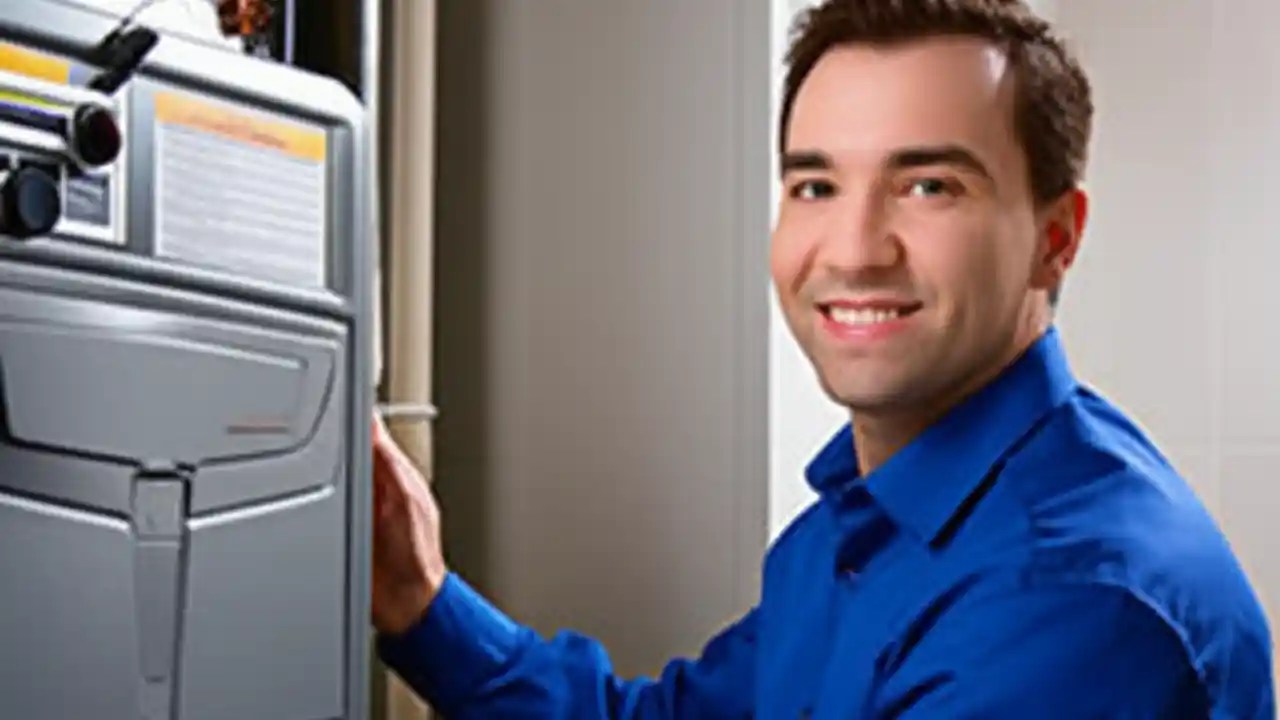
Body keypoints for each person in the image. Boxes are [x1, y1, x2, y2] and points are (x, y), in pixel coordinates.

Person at [369, 0, 1276, 717]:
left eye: (929, 186)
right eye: (815, 184)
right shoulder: (865, 518)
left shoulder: (1072, 609)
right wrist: (423, 602)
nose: (853, 249)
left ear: (1055, 238)